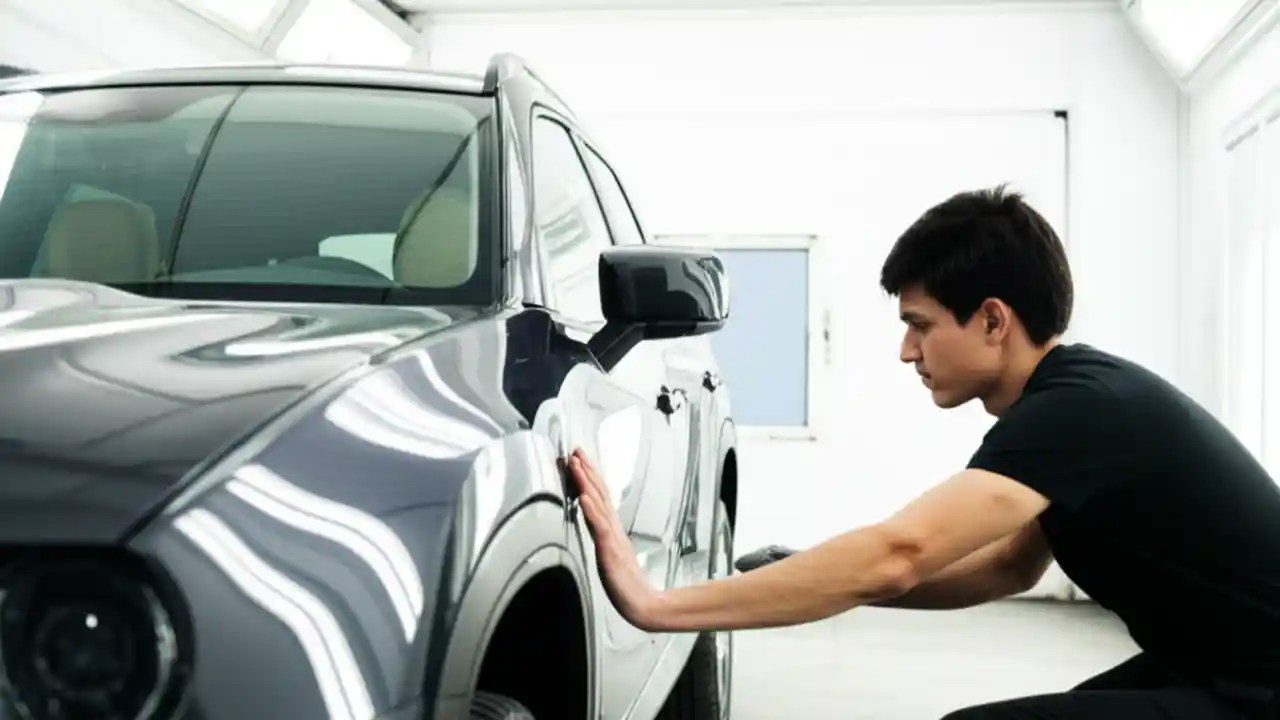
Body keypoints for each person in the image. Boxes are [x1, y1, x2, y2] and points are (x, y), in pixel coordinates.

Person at [565, 185, 1280, 719]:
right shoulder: (1075, 398)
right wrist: (816, 576)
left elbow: (898, 553)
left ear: (993, 320)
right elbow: (1008, 567)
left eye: (920, 325)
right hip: (1219, 669)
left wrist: (659, 605)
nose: (907, 350)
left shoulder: (1079, 411)